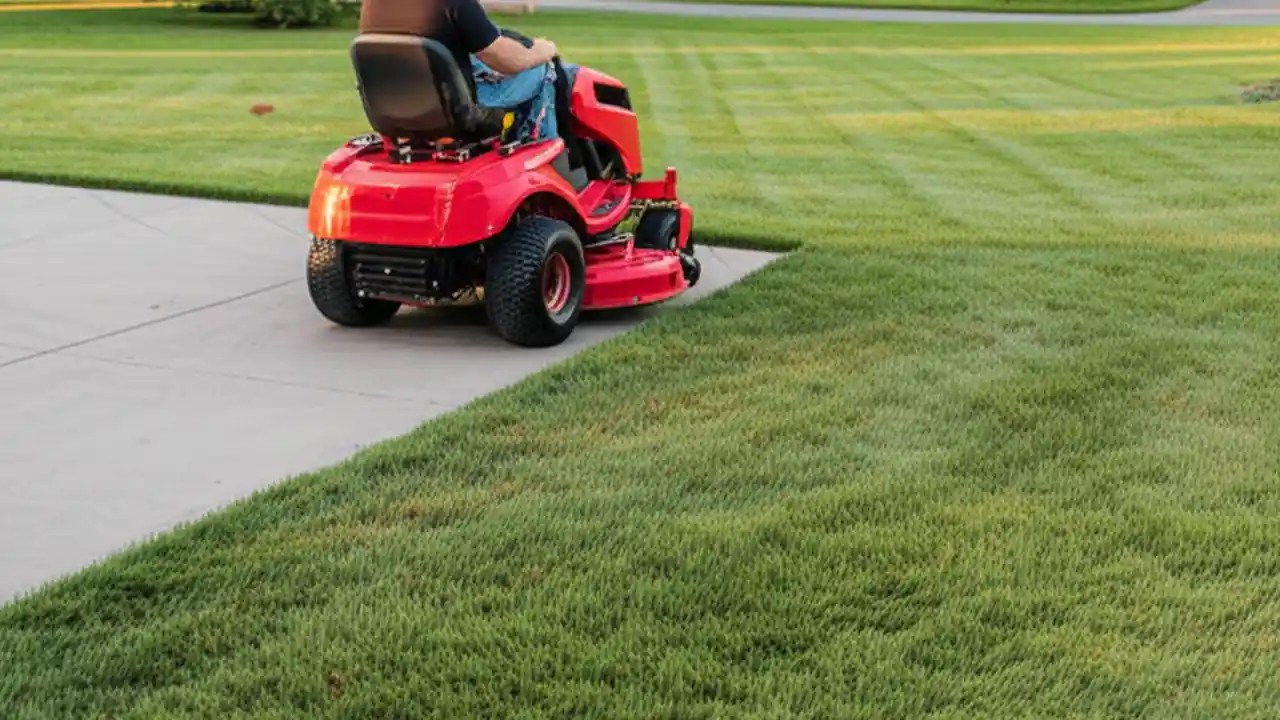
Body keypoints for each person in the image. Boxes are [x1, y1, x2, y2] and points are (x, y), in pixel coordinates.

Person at [358, 0, 567, 142]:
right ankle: (544, 160)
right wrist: (543, 50)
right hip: (453, 112)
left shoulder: (373, 3)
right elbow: (509, 61)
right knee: (541, 69)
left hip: (393, 111)